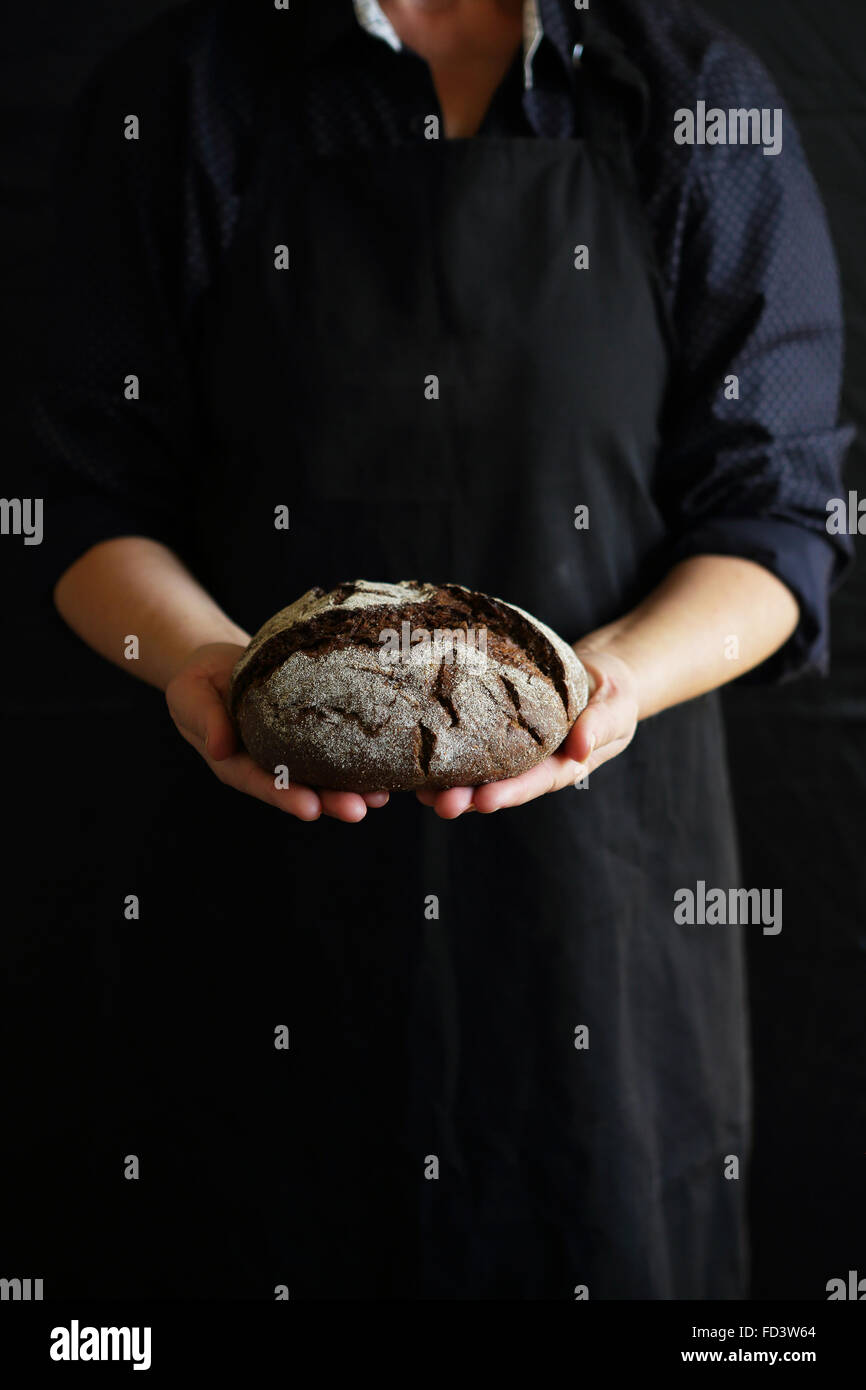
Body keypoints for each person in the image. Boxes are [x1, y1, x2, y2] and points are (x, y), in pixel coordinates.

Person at [29, 0, 852, 1298]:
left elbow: (775, 516)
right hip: (255, 926)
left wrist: (613, 677)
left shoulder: (691, 103)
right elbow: (76, 500)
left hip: (602, 934)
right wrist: (205, 664)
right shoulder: (182, 102)